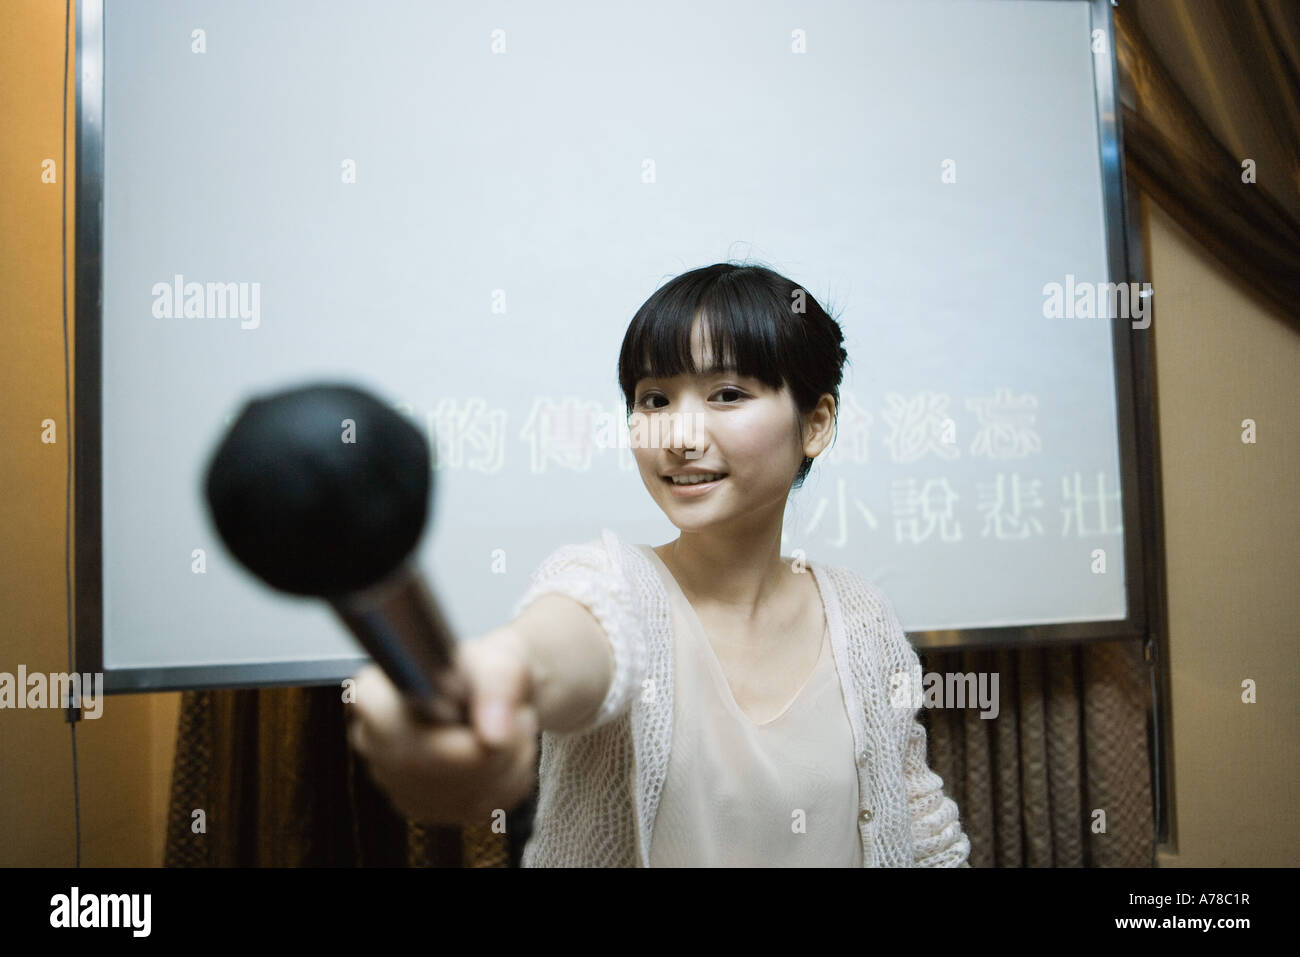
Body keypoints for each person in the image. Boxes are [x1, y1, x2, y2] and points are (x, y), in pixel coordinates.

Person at [347, 261, 971, 867]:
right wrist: (502, 677)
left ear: (815, 423)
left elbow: (918, 827)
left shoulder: (862, 615)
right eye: (654, 399)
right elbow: (567, 641)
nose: (677, 435)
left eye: (728, 394)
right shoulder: (616, 583)